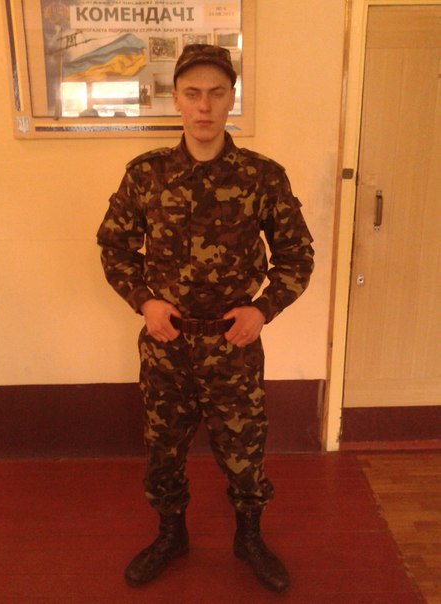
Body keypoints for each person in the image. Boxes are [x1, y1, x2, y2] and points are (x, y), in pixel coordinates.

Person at [96, 44, 314, 594]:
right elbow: (115, 247)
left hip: (232, 345)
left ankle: (249, 537)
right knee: (163, 450)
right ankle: (172, 535)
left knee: (245, 454)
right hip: (166, 344)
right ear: (175, 98)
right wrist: (144, 301)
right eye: (192, 93)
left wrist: (263, 310)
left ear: (231, 98)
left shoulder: (262, 176)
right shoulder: (146, 175)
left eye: (217, 93)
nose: (204, 106)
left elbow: (297, 255)